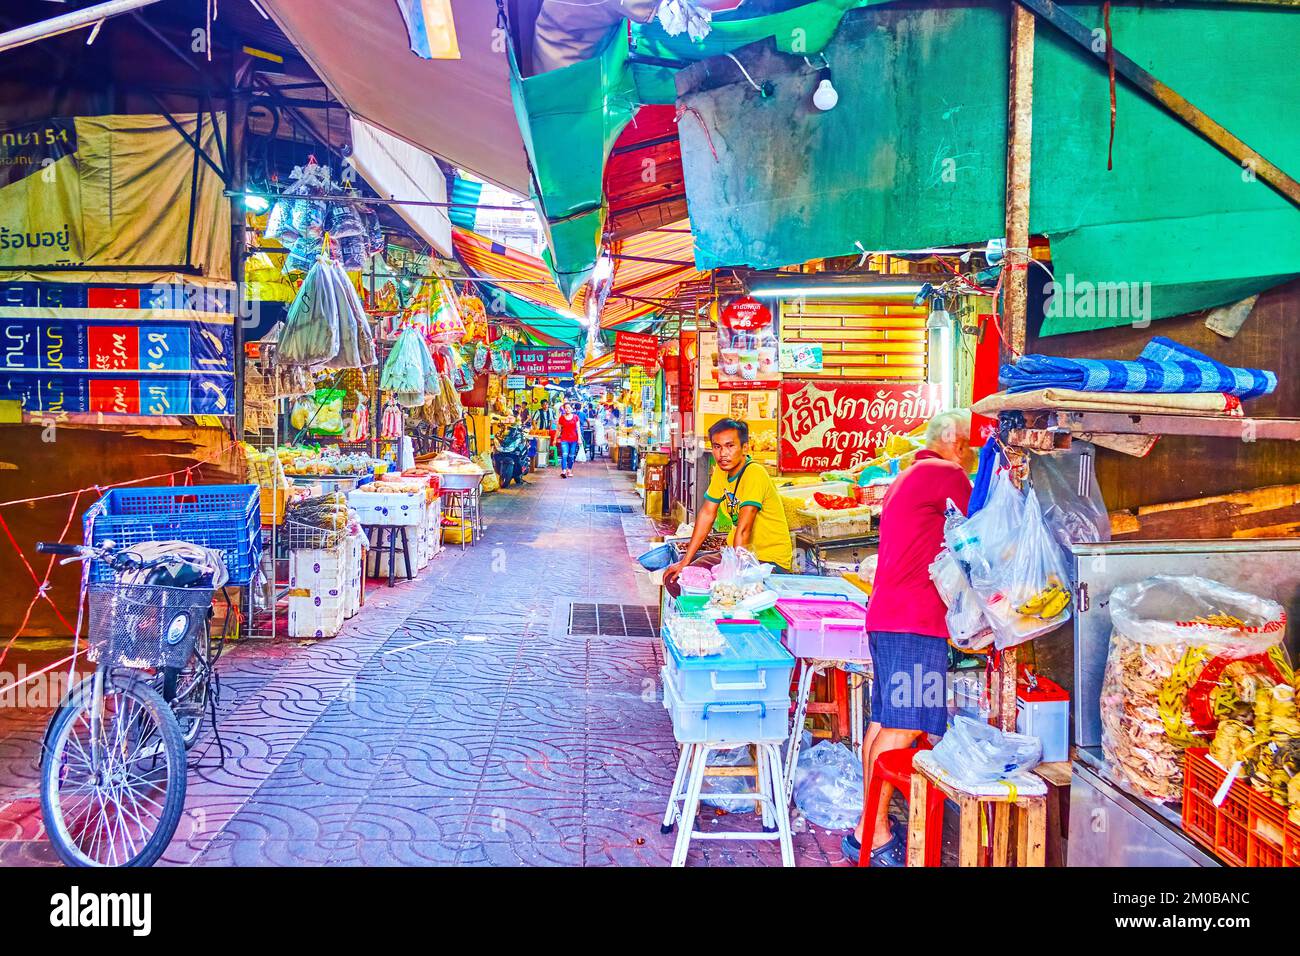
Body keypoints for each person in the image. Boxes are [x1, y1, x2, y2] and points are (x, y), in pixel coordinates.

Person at [843, 409, 974, 867]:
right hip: (916, 621)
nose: (973, 458)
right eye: (972, 447)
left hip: (889, 616)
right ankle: (872, 831)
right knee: (906, 725)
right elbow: (982, 531)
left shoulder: (909, 474)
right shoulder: (946, 473)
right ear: (956, 441)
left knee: (884, 723)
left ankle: (868, 827)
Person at [663, 418, 792, 596]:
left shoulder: (754, 473)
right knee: (677, 578)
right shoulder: (721, 472)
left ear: (745, 447)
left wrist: (736, 579)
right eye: (717, 447)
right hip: (736, 554)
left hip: (767, 562)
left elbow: (744, 529)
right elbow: (707, 513)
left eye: (730, 446)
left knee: (722, 592)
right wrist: (685, 560)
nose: (723, 453)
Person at [492, 419, 530, 488]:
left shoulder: (518, 432)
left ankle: (522, 467)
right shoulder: (502, 433)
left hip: (516, 444)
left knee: (521, 449)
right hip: (505, 448)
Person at [556, 402, 582, 478]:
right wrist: (556, 438)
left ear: (571, 408)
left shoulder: (575, 417)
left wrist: (579, 439)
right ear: (564, 409)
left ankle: (569, 470)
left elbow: (578, 428)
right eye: (566, 408)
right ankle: (563, 470)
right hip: (564, 439)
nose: (567, 409)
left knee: (571, 455)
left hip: (574, 440)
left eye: (568, 408)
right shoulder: (561, 418)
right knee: (564, 454)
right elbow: (558, 429)